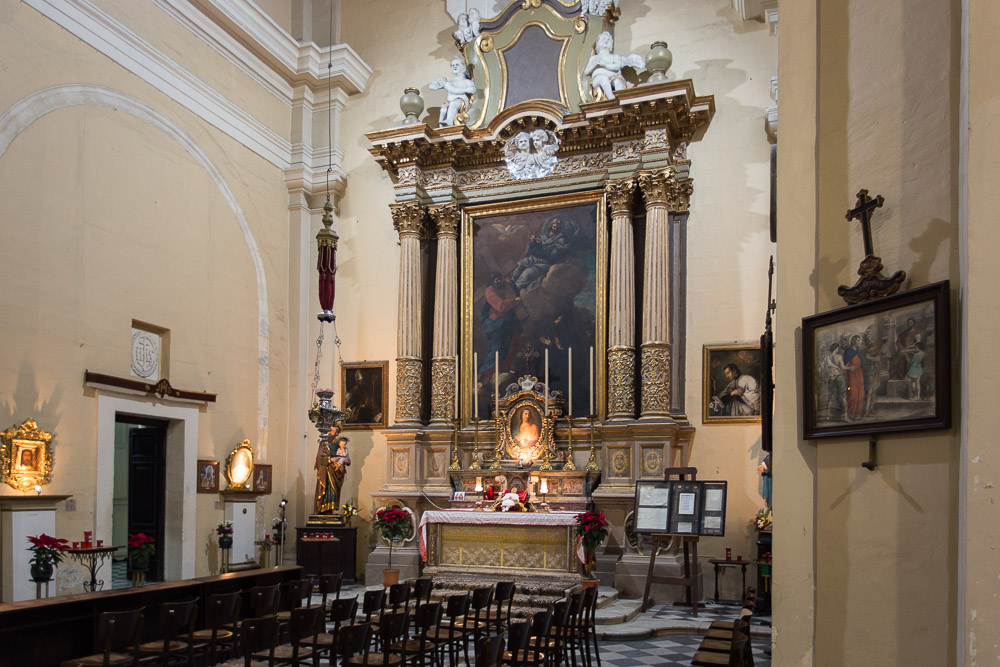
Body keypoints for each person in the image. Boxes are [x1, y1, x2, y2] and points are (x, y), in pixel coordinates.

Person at [510, 215, 577, 293]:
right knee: (519, 267)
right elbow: (535, 247)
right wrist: (533, 241)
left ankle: (516, 291)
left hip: (544, 263)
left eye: (557, 228)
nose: (554, 229)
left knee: (526, 274)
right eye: (554, 227)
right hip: (534, 258)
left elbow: (561, 252)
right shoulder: (543, 237)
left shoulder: (560, 239)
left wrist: (560, 249)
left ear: (559, 229)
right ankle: (511, 284)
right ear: (551, 226)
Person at [478, 273, 521, 383]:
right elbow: (501, 306)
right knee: (497, 349)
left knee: (512, 344)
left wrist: (511, 284)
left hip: (507, 323)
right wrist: (515, 301)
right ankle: (484, 375)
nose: (498, 281)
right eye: (496, 279)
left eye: (500, 279)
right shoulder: (490, 291)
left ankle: (504, 367)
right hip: (497, 325)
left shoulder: (501, 289)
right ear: (491, 280)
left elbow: (515, 295)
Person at [583, 31, 643, 100]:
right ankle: (611, 97)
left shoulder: (614, 57)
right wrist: (595, 65)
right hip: (598, 79)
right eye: (603, 39)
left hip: (615, 77)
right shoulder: (594, 58)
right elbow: (586, 72)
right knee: (603, 78)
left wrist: (604, 65)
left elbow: (617, 66)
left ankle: (621, 101)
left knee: (618, 81)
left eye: (608, 40)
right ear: (598, 44)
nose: (606, 41)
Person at [314, 424, 351, 514]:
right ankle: (323, 508)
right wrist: (330, 459)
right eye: (331, 429)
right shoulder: (324, 442)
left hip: (336, 470)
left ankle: (333, 508)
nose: (332, 431)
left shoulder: (340, 443)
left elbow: (345, 456)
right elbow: (319, 458)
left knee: (334, 490)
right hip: (326, 470)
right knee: (326, 488)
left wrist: (345, 460)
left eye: (335, 430)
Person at [429, 56, 476, 126]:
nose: (454, 66)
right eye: (452, 65)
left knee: (454, 103)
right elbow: (431, 86)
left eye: (457, 64)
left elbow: (472, 91)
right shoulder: (449, 83)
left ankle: (449, 121)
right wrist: (439, 81)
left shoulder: (467, 82)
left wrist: (446, 85)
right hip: (450, 102)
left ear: (463, 68)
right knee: (443, 109)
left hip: (462, 103)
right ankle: (441, 126)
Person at [821, 342, 846, 420]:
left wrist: (823, 377)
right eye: (838, 348)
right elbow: (843, 367)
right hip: (839, 377)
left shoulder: (826, 358)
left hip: (831, 378)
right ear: (836, 349)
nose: (838, 350)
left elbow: (821, 368)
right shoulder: (839, 357)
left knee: (830, 396)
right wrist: (851, 368)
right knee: (843, 395)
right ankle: (844, 416)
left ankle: (827, 416)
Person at [843, 335, 866, 421]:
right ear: (853, 341)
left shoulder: (858, 351)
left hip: (859, 374)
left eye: (860, 341)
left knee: (861, 393)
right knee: (853, 393)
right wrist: (851, 367)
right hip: (852, 374)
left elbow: (862, 362)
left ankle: (857, 414)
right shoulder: (849, 352)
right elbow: (846, 364)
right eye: (857, 340)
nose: (859, 342)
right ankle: (851, 415)